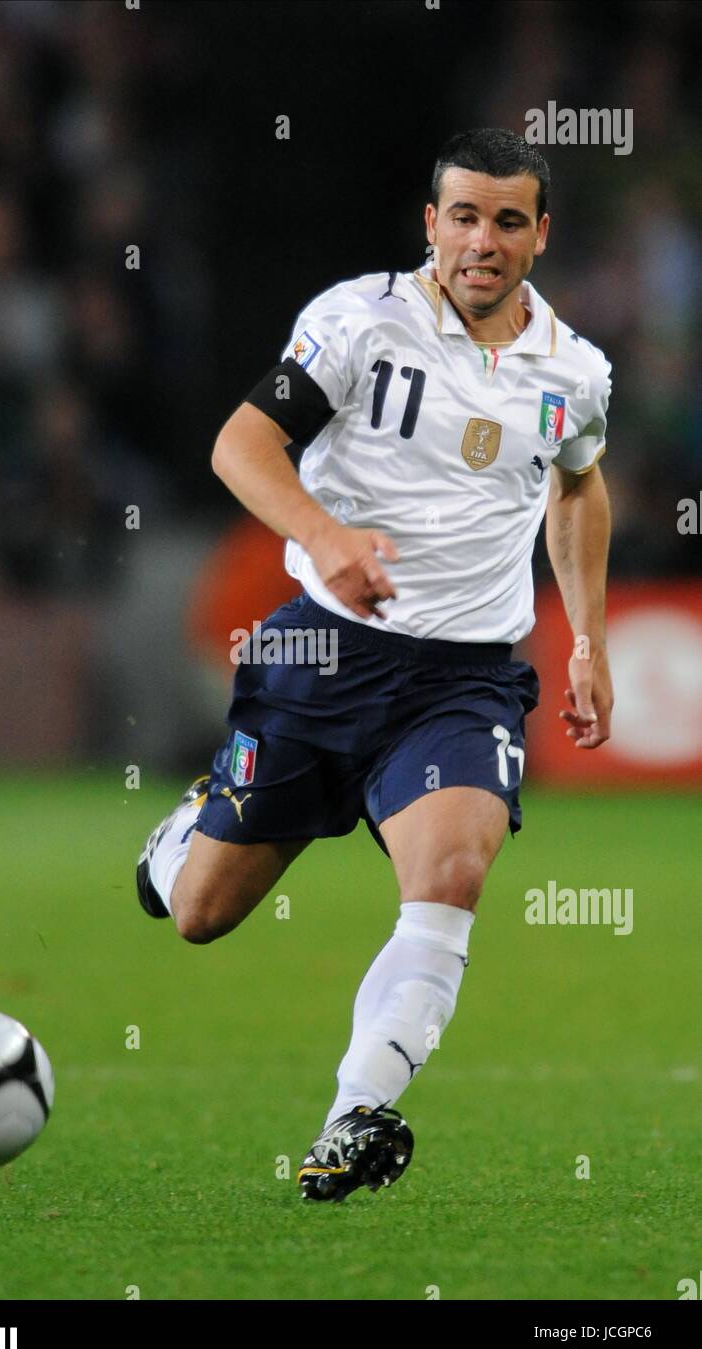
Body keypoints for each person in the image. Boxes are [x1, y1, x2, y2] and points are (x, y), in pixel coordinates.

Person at [136, 128, 614, 1202]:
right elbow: (240, 444)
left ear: (539, 234)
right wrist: (328, 535)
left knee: (448, 877)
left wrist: (582, 635)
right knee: (199, 912)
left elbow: (578, 487)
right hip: (324, 655)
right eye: (460, 215)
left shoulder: (572, 370)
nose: (478, 241)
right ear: (429, 222)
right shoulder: (355, 320)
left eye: (504, 220)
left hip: (464, 679)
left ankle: (353, 1113)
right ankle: (183, 832)